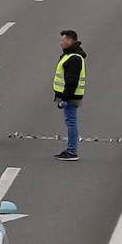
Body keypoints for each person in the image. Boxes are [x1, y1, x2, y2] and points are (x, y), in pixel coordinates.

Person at [53, 29, 86, 161]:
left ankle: (72, 151)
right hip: (71, 96)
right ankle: (71, 149)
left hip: (71, 97)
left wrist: (64, 99)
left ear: (71, 41)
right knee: (71, 122)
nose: (61, 43)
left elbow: (72, 81)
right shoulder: (70, 55)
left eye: (64, 40)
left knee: (71, 122)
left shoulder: (74, 58)